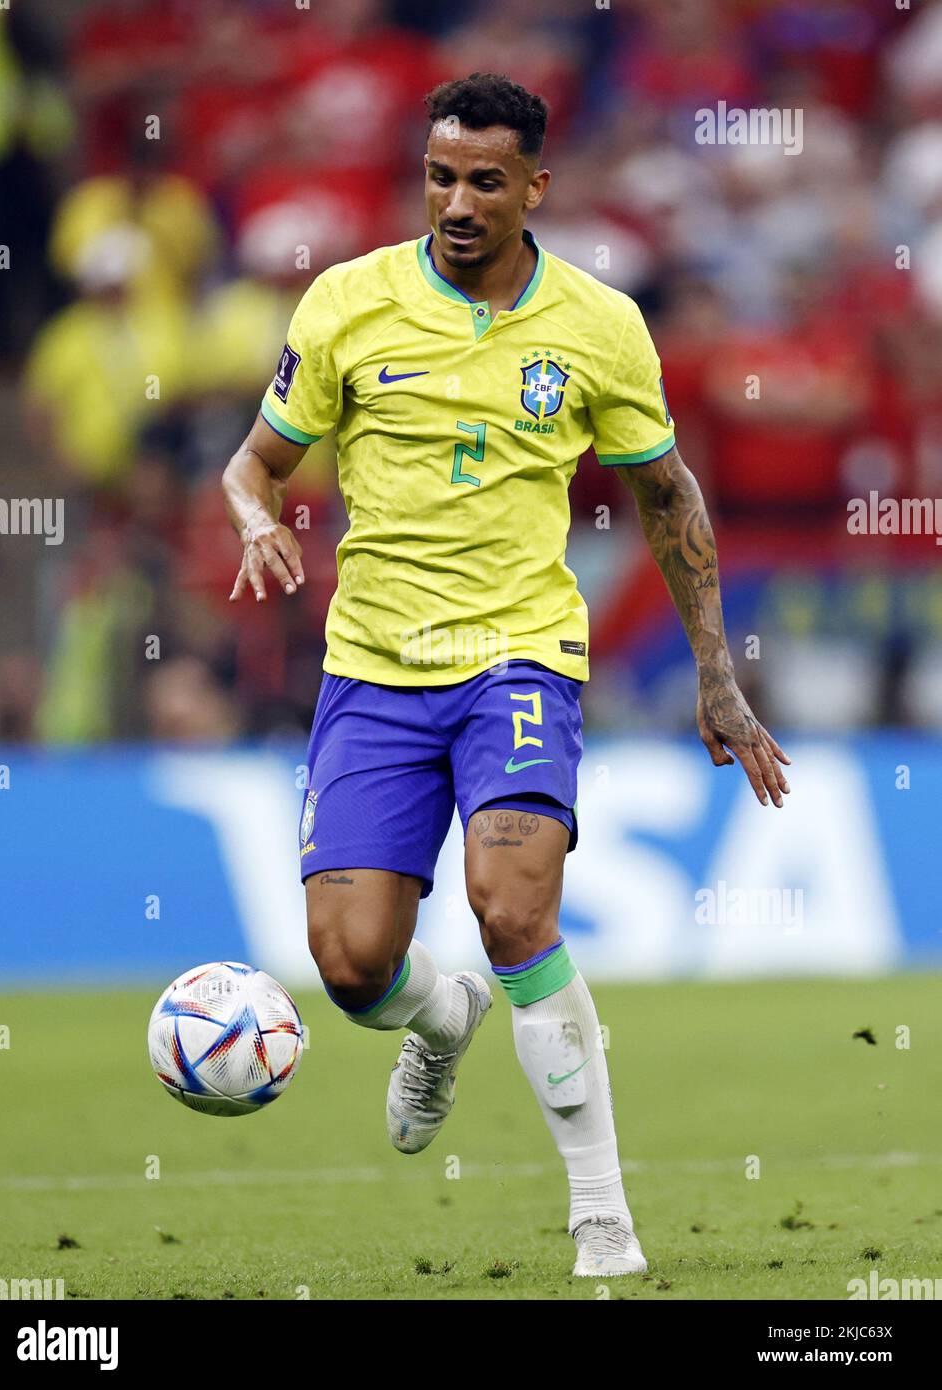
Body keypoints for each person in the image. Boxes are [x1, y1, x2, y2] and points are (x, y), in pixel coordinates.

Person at [222, 72, 790, 1278]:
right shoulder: (348, 304)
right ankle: (441, 1018)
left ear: (538, 186)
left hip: (519, 656)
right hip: (373, 666)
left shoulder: (598, 324)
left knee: (514, 906)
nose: (459, 201)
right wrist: (254, 516)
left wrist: (716, 674)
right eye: (440, 176)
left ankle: (601, 1216)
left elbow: (667, 494)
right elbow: (253, 464)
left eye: (486, 180)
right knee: (349, 962)